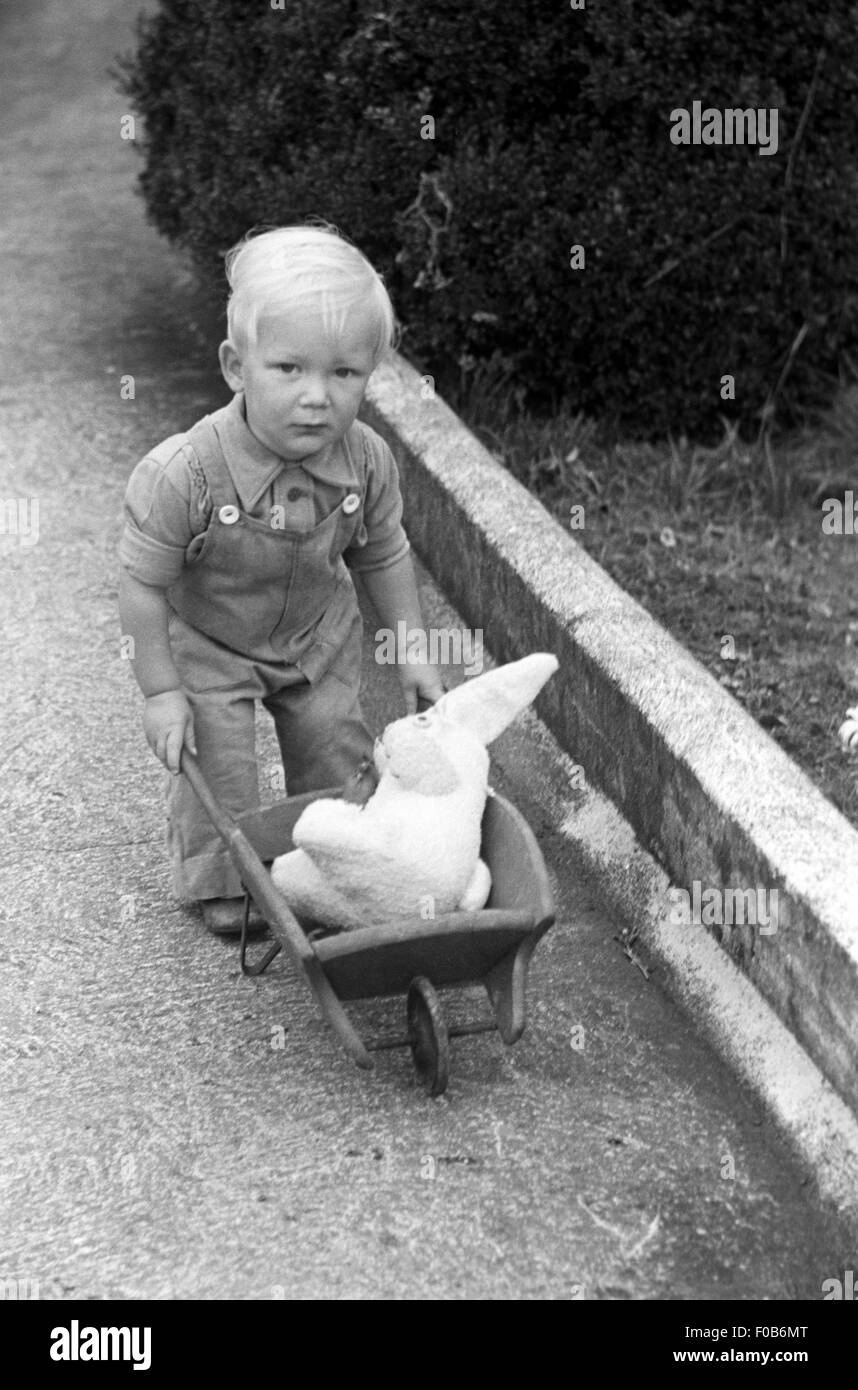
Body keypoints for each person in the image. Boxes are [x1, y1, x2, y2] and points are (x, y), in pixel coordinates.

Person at [118, 224, 443, 934]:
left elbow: (382, 553)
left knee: (336, 750)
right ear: (237, 366)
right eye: (289, 369)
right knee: (221, 766)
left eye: (344, 373)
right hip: (212, 641)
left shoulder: (366, 461)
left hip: (316, 635)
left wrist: (412, 650)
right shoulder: (185, 474)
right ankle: (222, 880)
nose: (317, 397)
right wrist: (162, 691)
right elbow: (142, 586)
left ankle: (340, 863)